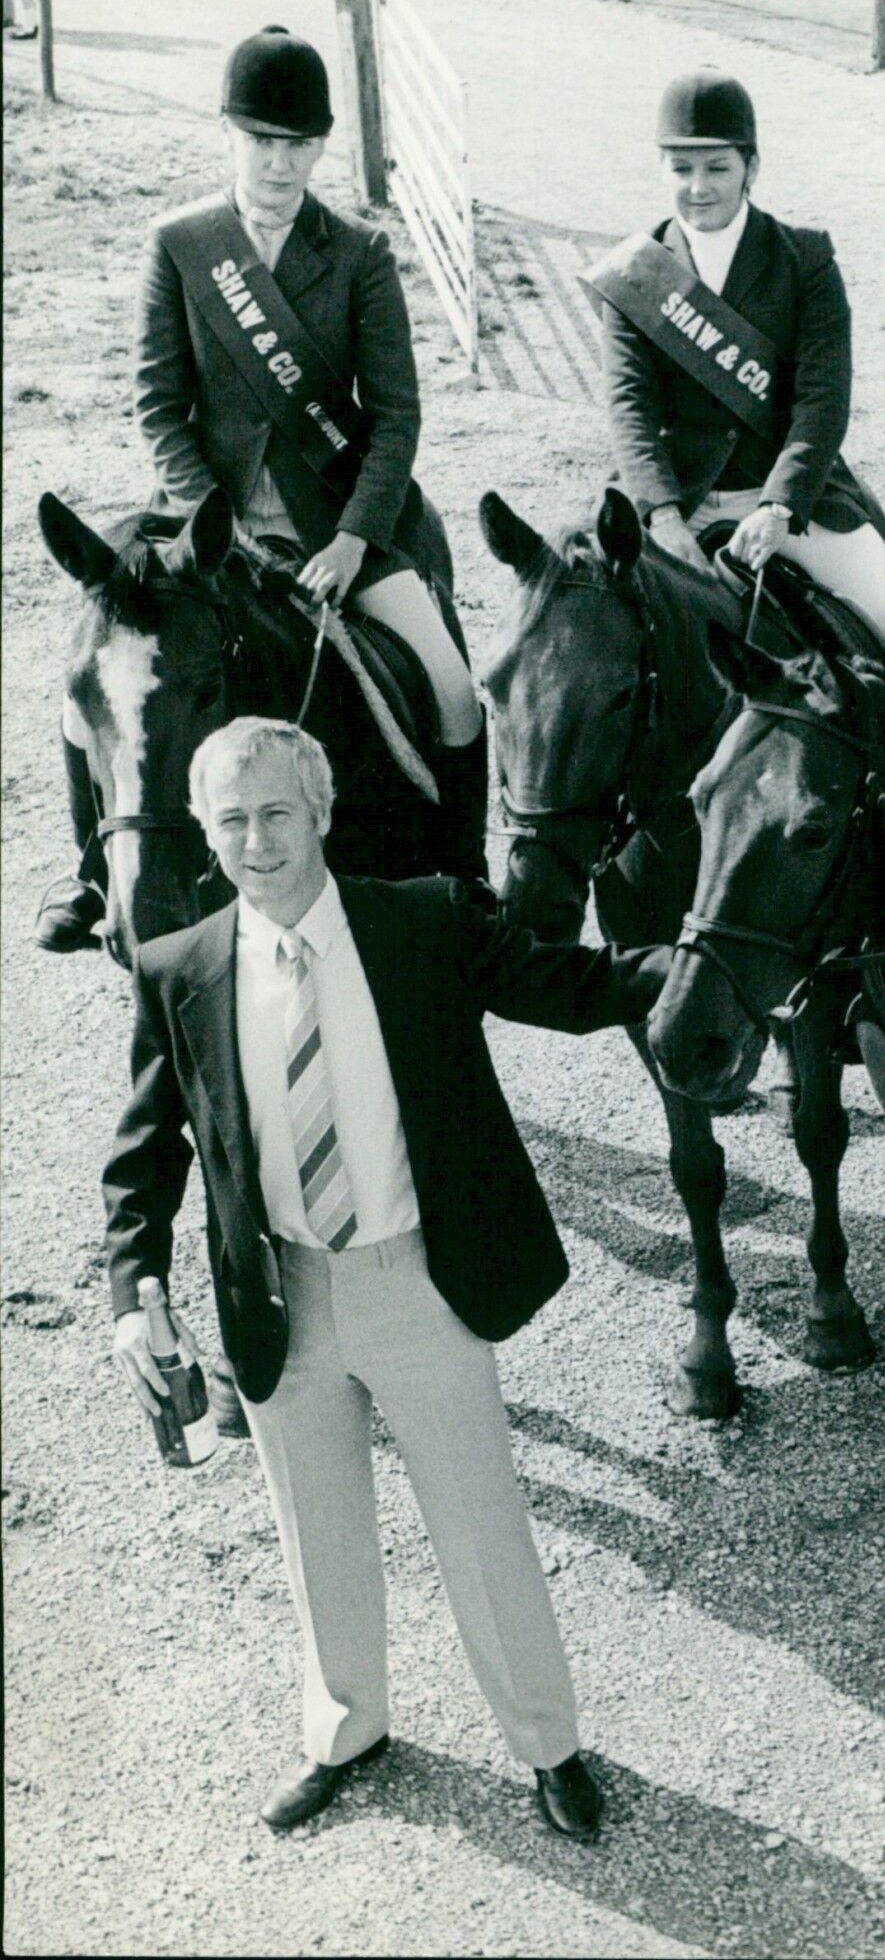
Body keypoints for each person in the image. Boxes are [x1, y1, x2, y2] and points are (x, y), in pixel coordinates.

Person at [104, 717, 668, 1835]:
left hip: (419, 1277)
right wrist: (134, 1288)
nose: (257, 841)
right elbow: (144, 1146)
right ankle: (345, 1728)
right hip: (280, 1295)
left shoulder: (423, 919)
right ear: (208, 840)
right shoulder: (178, 969)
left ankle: (549, 1745)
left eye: (276, 812)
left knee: (482, 1525)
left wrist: (722, 955)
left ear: (320, 811)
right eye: (233, 821)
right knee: (316, 1531)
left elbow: (576, 984)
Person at [36, 24, 486, 954]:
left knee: (452, 691)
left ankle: (469, 872)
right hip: (209, 532)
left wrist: (355, 540)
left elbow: (395, 417)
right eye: (261, 141)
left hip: (340, 533)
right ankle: (89, 870)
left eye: (298, 144)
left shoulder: (360, 253)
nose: (279, 164)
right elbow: (159, 403)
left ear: (321, 146)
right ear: (229, 137)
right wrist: (216, 525)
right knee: (94, 684)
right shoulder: (181, 245)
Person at [592, 69, 885, 679]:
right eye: (680, 169)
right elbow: (629, 408)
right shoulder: (632, 277)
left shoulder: (806, 261)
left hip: (783, 493)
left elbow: (822, 401)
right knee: (579, 624)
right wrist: (664, 518)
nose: (698, 188)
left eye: (717, 168)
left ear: (752, 167)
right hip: (673, 498)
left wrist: (780, 507)